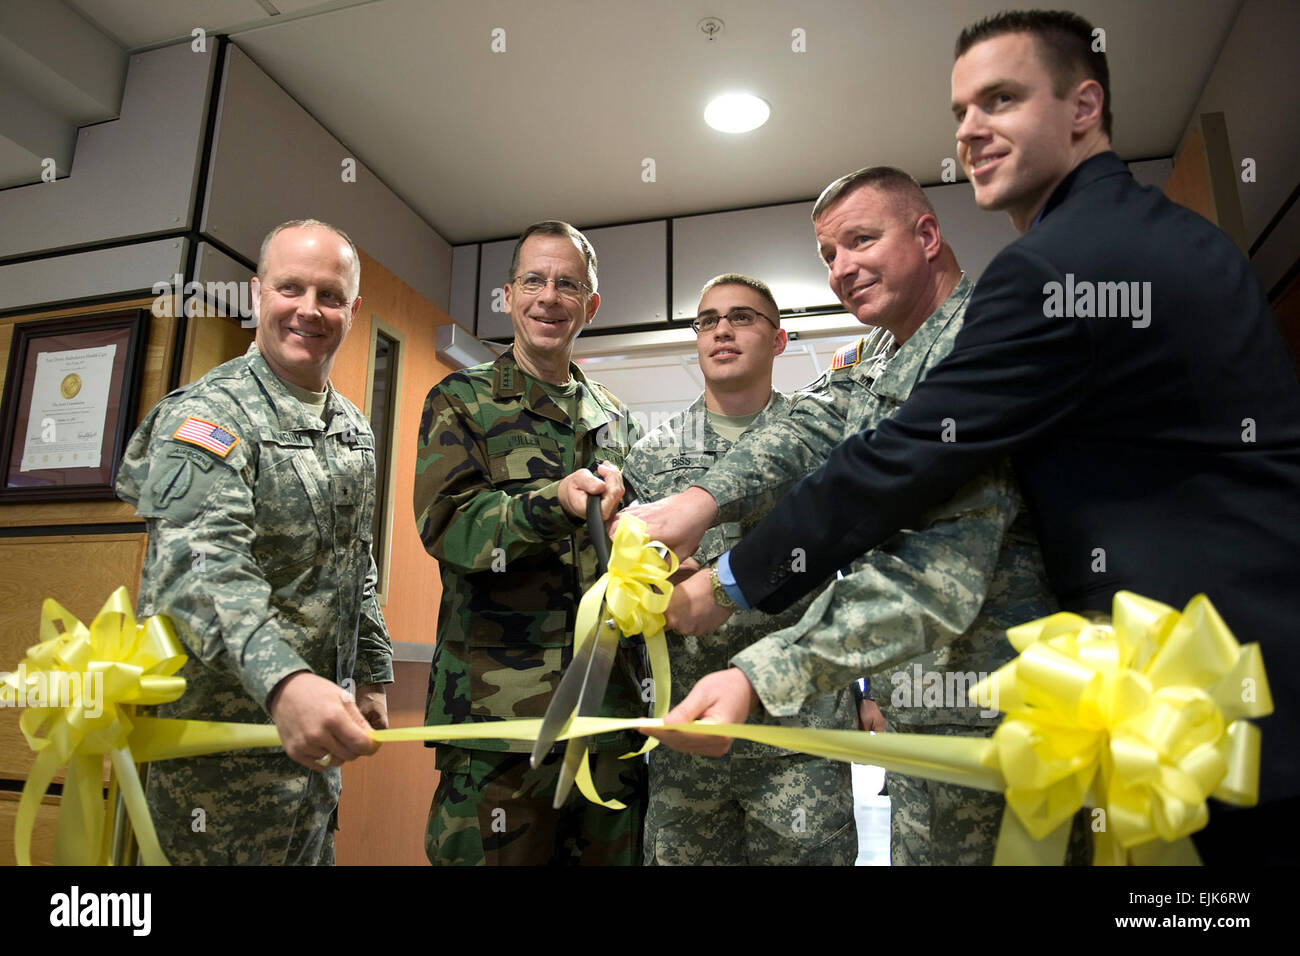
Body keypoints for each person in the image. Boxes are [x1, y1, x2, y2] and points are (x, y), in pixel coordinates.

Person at [639, 10, 1300, 864]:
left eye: (1001, 98)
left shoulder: (1045, 274)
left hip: (1199, 696)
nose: (972, 131)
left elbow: (905, 476)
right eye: (960, 112)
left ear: (1083, 104)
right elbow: (823, 420)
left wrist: (734, 597)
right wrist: (700, 500)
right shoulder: (1160, 237)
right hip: (1190, 685)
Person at [637, 171, 1084, 864]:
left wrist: (759, 667)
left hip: (1003, 718)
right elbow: (806, 429)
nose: (843, 267)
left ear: (927, 236)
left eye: (861, 240)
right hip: (927, 715)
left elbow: (936, 571)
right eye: (828, 255)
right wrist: (702, 502)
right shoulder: (880, 356)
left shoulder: (978, 344)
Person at [116, 219, 393, 865]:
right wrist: (285, 681)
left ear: (352, 310)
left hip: (310, 745)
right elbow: (201, 567)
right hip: (219, 753)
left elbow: (357, 561)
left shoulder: (350, 427)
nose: (308, 310)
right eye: (290, 288)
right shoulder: (209, 415)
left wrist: (373, 671)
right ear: (257, 295)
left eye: (329, 295)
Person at [414, 220, 647, 865]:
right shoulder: (462, 401)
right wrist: (553, 506)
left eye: (568, 284)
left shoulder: (615, 417)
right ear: (509, 296)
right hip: (500, 723)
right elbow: (449, 525)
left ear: (591, 306)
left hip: (607, 717)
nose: (550, 297)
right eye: (535, 281)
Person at [621, 273, 859, 865]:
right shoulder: (654, 452)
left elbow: (860, 563)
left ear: (779, 340)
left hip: (800, 727)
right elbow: (632, 579)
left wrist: (871, 686)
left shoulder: (821, 435)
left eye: (743, 317)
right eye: (708, 321)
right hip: (690, 736)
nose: (722, 330)